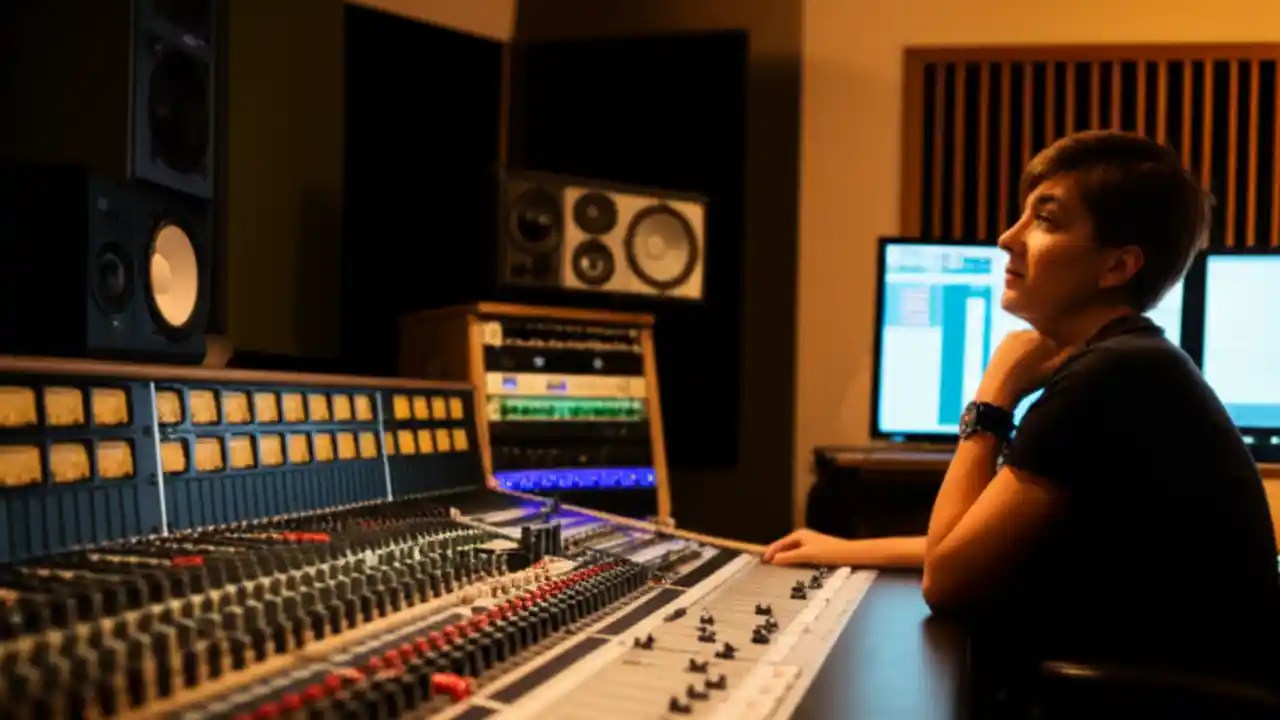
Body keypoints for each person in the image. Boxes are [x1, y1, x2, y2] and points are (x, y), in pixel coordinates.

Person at [765, 130, 1280, 690]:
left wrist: (994, 395)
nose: (1007, 238)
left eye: (1046, 220)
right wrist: (846, 551)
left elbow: (947, 579)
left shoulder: (1112, 374)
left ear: (1117, 266)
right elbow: (981, 541)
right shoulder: (1131, 359)